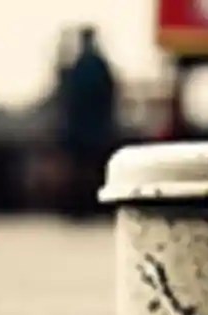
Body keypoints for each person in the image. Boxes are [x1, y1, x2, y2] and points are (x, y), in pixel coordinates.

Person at [59, 25, 117, 218]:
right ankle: (91, 205)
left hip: (83, 130)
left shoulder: (79, 65)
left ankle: (81, 207)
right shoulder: (99, 65)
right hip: (94, 129)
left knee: (82, 170)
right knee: (91, 170)